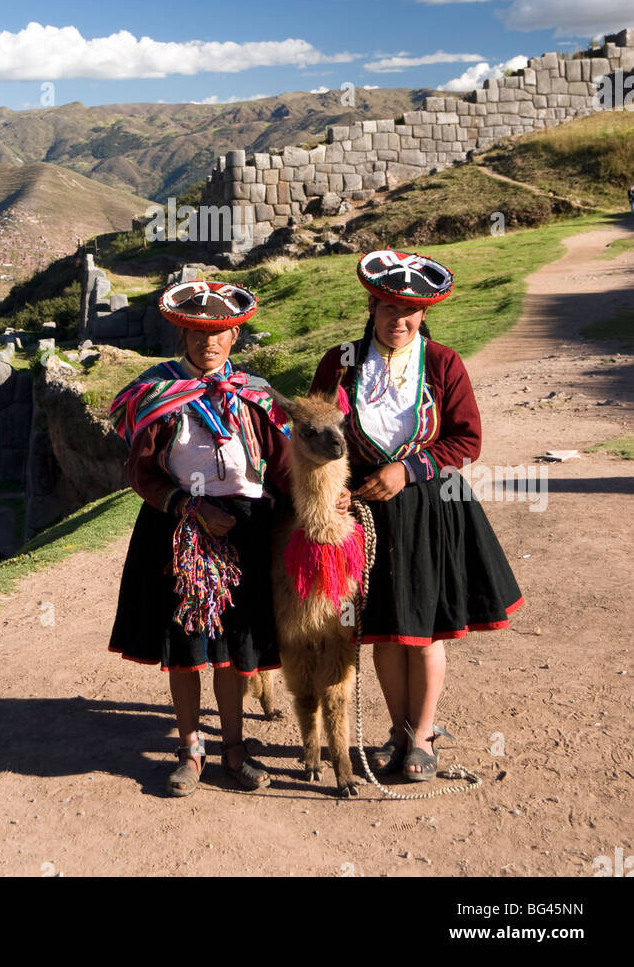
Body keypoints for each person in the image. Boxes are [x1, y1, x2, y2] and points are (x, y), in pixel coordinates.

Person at [309, 249, 524, 781]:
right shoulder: (341, 361)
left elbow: (466, 439)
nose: (397, 320)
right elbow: (313, 437)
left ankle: (424, 736)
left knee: (423, 630)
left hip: (430, 508)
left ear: (424, 315)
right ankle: (398, 730)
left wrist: (409, 470)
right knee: (383, 628)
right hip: (365, 513)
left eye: (409, 311)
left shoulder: (444, 363)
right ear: (371, 304)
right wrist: (333, 489)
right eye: (386, 307)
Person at [109, 279, 291, 796]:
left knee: (236, 645)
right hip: (178, 529)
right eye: (196, 332)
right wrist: (189, 506)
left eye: (218, 332)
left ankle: (234, 749)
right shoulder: (158, 392)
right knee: (186, 645)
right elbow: (142, 473)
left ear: (235, 334)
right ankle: (191, 748)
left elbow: (281, 467)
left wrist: (319, 505)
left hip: (246, 531)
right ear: (182, 335)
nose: (207, 343)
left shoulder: (256, 395)